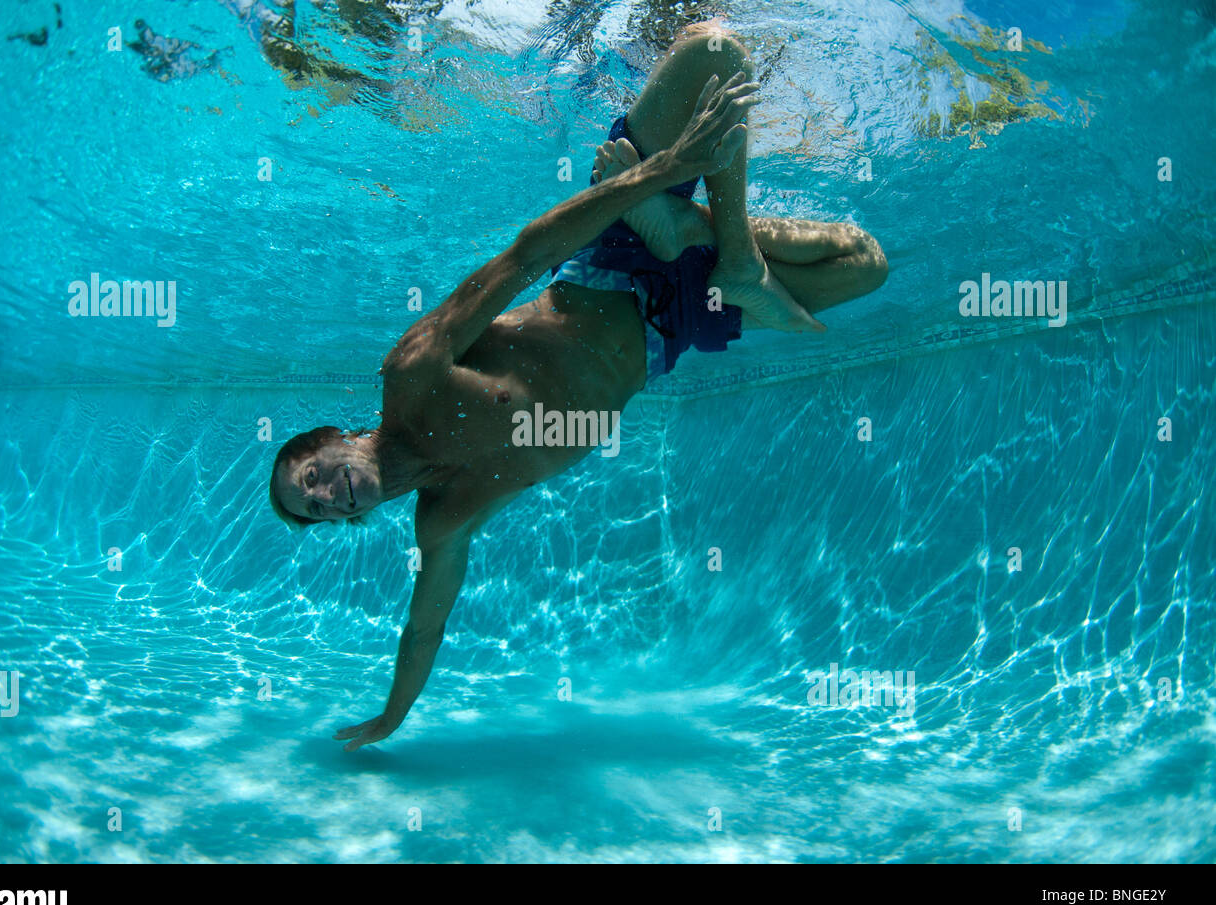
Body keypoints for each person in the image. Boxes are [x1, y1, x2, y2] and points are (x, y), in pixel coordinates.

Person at [268, 22, 887, 750]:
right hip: (671, 330)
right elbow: (425, 623)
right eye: (312, 510)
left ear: (335, 440)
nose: (321, 498)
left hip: (613, 256)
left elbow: (529, 253)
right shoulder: (444, 519)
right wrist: (389, 718)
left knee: (714, 48)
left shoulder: (411, 373)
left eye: (308, 477)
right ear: (340, 522)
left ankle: (684, 224)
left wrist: (662, 170)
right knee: (864, 262)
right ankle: (708, 239)